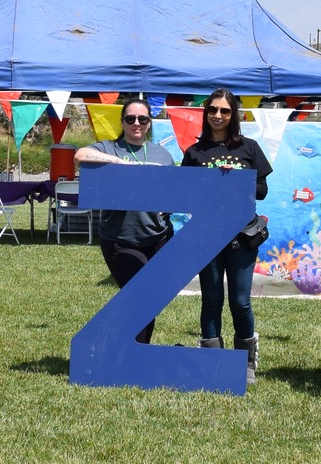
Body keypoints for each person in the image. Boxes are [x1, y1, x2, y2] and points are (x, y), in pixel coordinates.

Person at [180, 88, 272, 377]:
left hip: (243, 236)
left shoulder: (249, 148)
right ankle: (212, 363)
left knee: (240, 301)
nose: (218, 116)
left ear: (234, 116)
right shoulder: (194, 153)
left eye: (225, 111)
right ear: (206, 113)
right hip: (206, 234)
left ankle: (245, 365)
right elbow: (185, 194)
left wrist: (234, 183)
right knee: (211, 299)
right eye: (213, 110)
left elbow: (262, 191)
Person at [77, 97, 178, 345]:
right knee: (139, 294)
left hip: (159, 238)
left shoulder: (162, 154)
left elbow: (175, 191)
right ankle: (132, 351)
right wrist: (118, 162)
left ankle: (134, 351)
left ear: (149, 123)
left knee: (150, 297)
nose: (136, 123)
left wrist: (171, 205)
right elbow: (80, 155)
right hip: (121, 239)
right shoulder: (110, 148)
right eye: (130, 118)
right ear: (122, 121)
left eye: (142, 119)